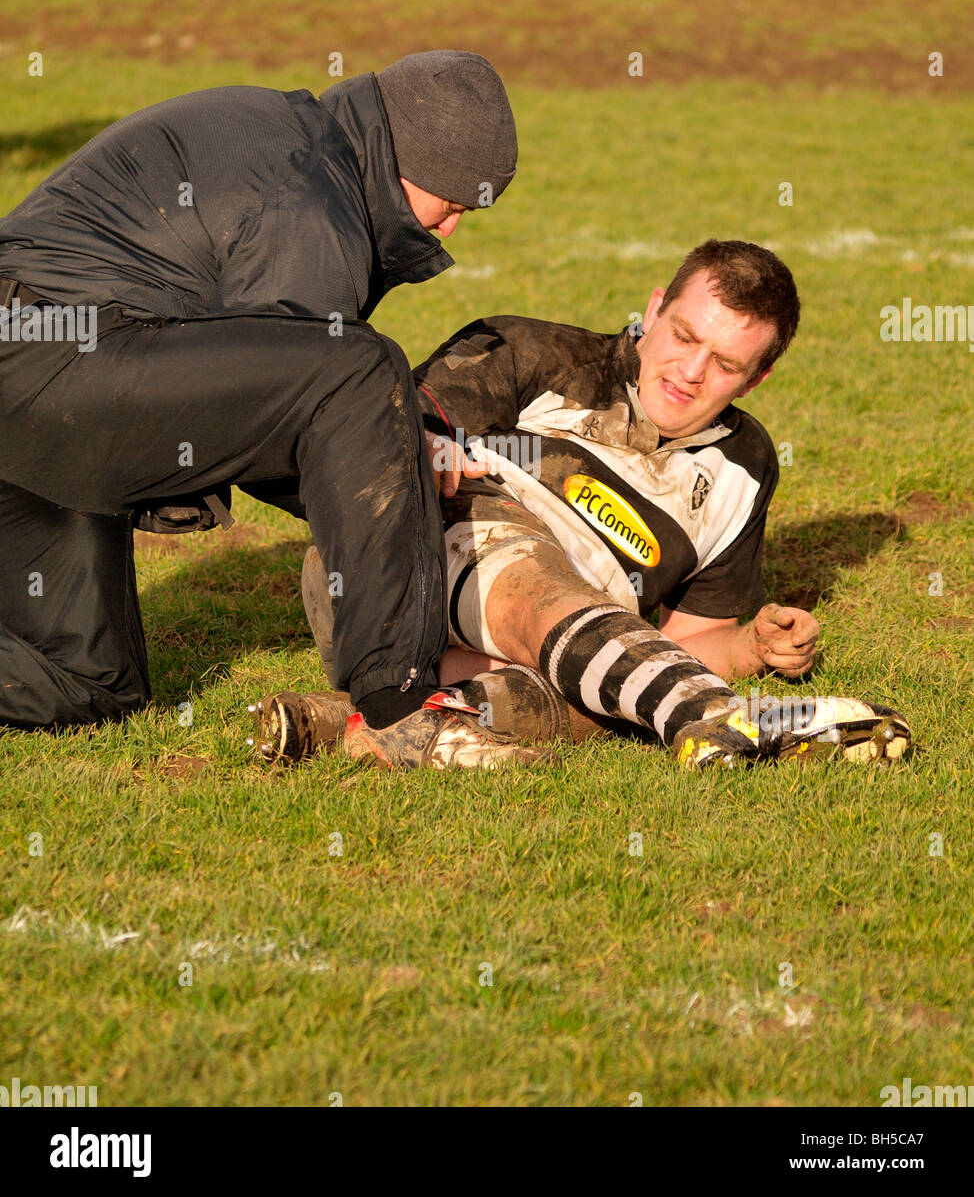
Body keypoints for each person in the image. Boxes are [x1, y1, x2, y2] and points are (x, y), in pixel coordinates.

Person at [0, 50, 550, 766]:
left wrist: (405, 459)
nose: (450, 228)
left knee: (88, 685)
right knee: (364, 366)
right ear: (403, 158)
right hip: (55, 360)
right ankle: (401, 706)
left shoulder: (308, 144)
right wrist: (424, 484)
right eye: (451, 200)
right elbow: (310, 423)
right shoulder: (309, 203)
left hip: (42, 386)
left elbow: (278, 404)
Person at [263, 239, 909, 769]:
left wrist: (753, 648)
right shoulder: (538, 354)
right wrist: (427, 444)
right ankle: (709, 711)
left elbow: (681, 640)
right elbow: (387, 429)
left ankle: (352, 727)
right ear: (655, 310)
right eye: (683, 336)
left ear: (757, 378)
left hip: (538, 648)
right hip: (409, 573)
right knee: (529, 583)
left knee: (599, 703)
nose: (690, 372)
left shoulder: (746, 467)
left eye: (724, 364)